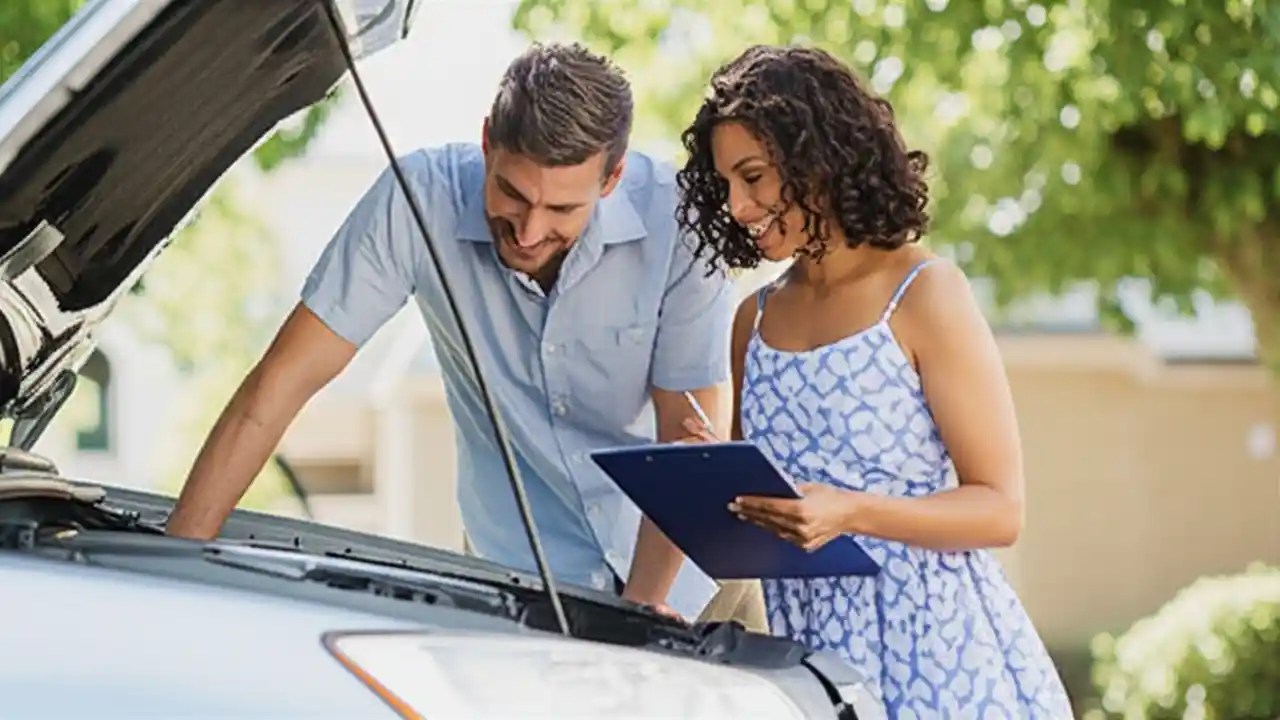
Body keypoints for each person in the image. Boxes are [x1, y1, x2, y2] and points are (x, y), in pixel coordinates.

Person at [163, 42, 766, 630]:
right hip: (525, 593)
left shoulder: (678, 225)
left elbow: (686, 449)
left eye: (561, 211)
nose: (529, 232)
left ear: (611, 179)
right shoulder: (418, 202)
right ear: (486, 144)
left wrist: (636, 624)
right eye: (511, 193)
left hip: (688, 587)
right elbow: (277, 388)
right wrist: (174, 575)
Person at [674, 45, 1074, 717]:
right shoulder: (755, 317)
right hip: (809, 664)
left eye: (753, 176)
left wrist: (851, 512)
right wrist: (713, 480)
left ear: (817, 160)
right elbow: (774, 516)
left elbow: (1000, 509)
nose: (739, 206)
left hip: (937, 652)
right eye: (727, 186)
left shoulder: (924, 293)